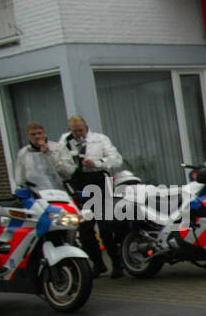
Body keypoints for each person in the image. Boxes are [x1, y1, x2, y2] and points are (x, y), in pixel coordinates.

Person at [58, 116, 124, 277]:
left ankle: (117, 264)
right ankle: (98, 264)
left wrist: (97, 162)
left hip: (100, 180)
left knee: (106, 225)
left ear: (86, 127)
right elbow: (58, 160)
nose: (78, 134)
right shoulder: (64, 141)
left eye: (80, 130)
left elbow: (116, 160)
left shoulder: (100, 139)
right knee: (85, 227)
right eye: (74, 131)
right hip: (79, 184)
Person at [12, 122, 74, 193]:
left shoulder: (59, 148)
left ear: (44, 134)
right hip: (35, 191)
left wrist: (49, 154)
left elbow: (69, 171)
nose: (37, 137)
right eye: (33, 134)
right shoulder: (23, 153)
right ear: (28, 136)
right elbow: (20, 177)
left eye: (39, 133)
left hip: (59, 188)